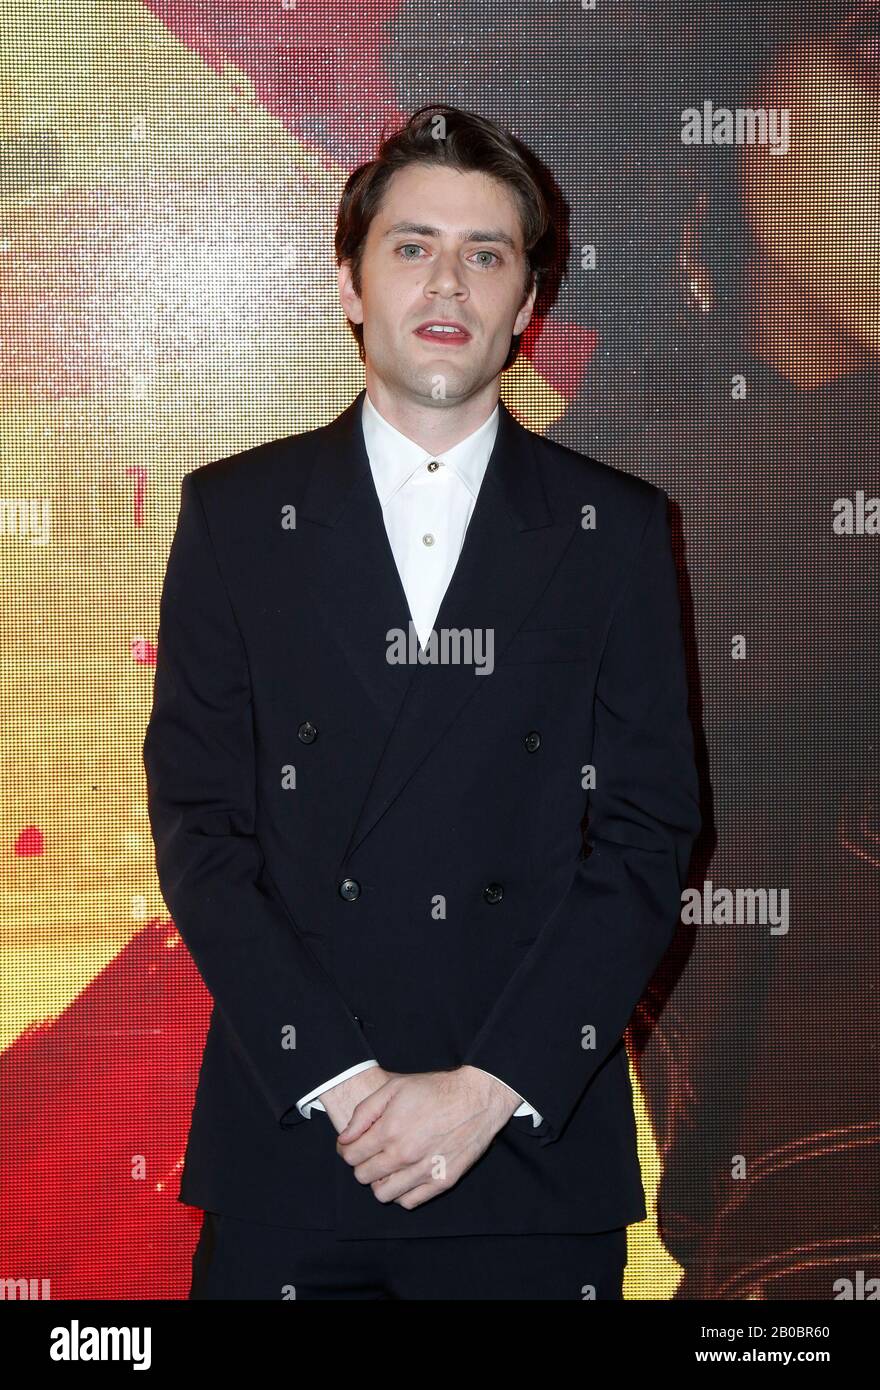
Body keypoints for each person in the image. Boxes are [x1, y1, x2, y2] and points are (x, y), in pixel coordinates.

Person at [142, 103, 701, 1300]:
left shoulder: (615, 530)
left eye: (485, 253)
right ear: (349, 284)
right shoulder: (234, 516)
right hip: (296, 1144)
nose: (447, 280)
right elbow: (201, 831)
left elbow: (646, 839)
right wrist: (349, 1086)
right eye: (411, 246)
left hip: (528, 1162)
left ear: (527, 305)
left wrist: (486, 1089)